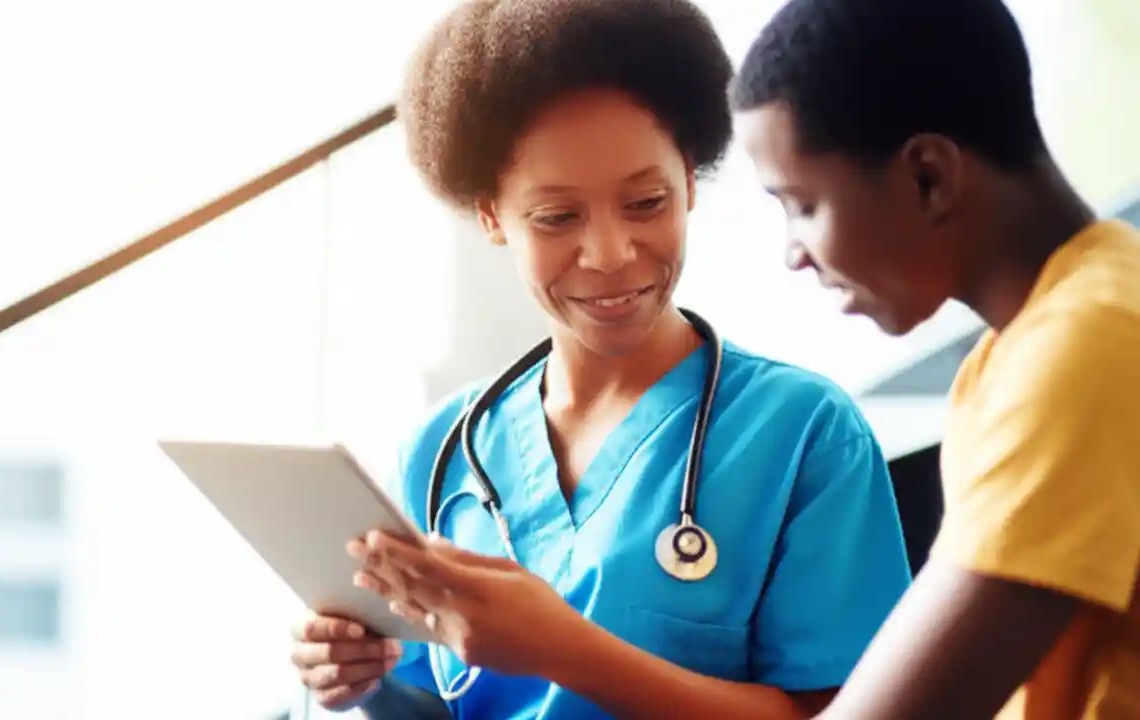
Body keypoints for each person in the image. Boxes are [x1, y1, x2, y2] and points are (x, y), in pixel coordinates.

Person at [289, 1, 911, 717]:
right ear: (491, 214)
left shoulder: (803, 434)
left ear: (688, 177)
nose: (611, 255)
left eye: (646, 202)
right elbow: (433, 702)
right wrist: (358, 676)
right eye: (557, 217)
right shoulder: (441, 452)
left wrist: (562, 648)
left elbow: (851, 712)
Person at [731, 0, 1140, 718]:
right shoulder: (1024, 346)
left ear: (928, 176)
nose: (795, 255)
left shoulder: (1085, 346)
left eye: (804, 204)